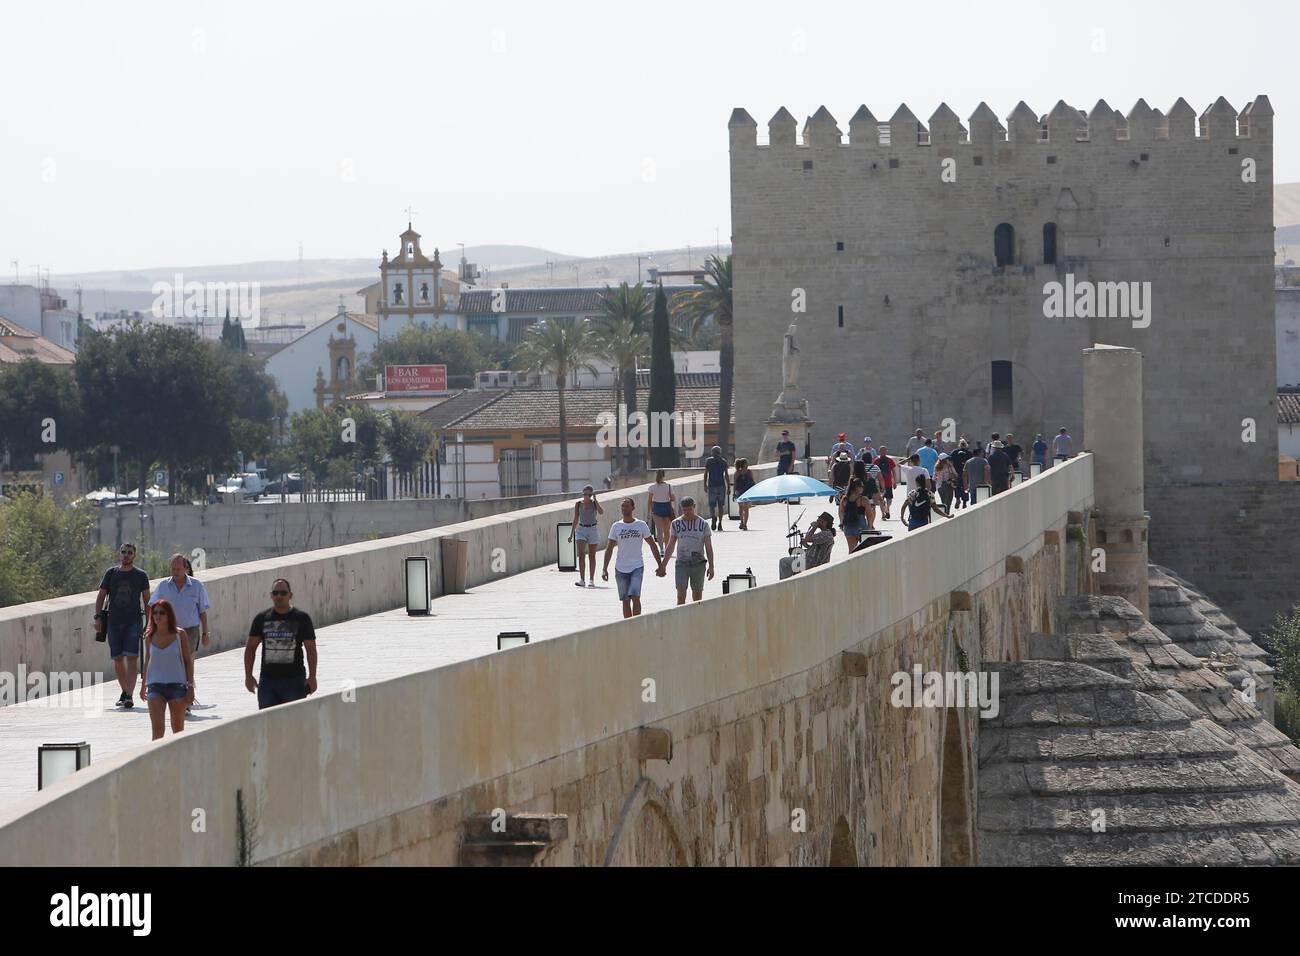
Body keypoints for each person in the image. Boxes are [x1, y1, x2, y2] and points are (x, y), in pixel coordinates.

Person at [148, 553, 211, 713]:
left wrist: (205, 633)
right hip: (169, 631)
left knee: (187, 662)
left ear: (186, 569)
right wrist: (150, 627)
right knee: (176, 664)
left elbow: (202, 611)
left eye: (178, 569)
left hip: (190, 631)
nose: (175, 572)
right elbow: (152, 607)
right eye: (173, 569)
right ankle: (179, 697)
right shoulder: (163, 586)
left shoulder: (196, 586)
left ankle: (187, 699)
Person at [244, 578, 317, 710]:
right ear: (271, 595)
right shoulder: (261, 619)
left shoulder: (302, 618)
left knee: (294, 723)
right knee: (268, 723)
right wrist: (248, 676)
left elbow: (310, 649)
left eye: (283, 593)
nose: (279, 596)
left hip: (294, 680)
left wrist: (312, 677)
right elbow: (250, 649)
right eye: (276, 593)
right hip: (268, 681)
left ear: (290, 595)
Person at [94, 542, 151, 710]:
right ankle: (125, 692)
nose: (126, 555)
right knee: (117, 658)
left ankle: (129, 695)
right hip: (113, 621)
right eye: (124, 552)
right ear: (120, 554)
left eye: (130, 552)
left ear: (134, 555)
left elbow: (148, 601)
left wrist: (149, 623)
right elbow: (101, 596)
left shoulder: (141, 575)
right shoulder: (111, 573)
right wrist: (98, 618)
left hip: (133, 622)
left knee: (132, 658)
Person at [139, 598, 195, 740]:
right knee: (157, 732)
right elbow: (147, 662)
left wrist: (190, 687)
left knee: (178, 731)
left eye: (162, 613)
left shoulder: (179, 635)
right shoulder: (149, 637)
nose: (157, 616)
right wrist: (143, 685)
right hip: (155, 687)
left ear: (169, 615)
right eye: (155, 613)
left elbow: (188, 662)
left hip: (177, 687)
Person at [602, 498, 663, 618]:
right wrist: (604, 568)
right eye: (622, 506)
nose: (624, 508)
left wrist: (660, 565)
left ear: (633, 508)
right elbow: (609, 548)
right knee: (625, 599)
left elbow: (652, 544)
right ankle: (628, 625)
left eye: (627, 506)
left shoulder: (641, 525)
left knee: (635, 596)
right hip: (620, 568)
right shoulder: (616, 526)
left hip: (637, 567)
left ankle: (636, 623)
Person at [660, 496, 715, 604]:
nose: (687, 512)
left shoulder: (703, 524)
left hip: (698, 563)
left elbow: (708, 546)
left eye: (689, 509)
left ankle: (696, 618)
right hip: (682, 562)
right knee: (681, 595)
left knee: (697, 597)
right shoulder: (676, 523)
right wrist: (663, 565)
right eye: (684, 510)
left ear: (694, 507)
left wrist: (711, 566)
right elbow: (671, 545)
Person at [567, 485, 605, 587]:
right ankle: (582, 579)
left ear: (591, 495)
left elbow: (601, 512)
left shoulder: (594, 504)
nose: (586, 496)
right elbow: (575, 519)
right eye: (584, 494)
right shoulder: (578, 504)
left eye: (588, 494)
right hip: (581, 530)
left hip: (593, 529)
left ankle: (591, 580)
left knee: (592, 556)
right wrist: (571, 534)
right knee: (581, 555)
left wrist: (596, 500)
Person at [838, 477, 870, 551]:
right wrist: (870, 526)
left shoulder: (844, 499)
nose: (863, 488)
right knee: (865, 550)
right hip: (861, 525)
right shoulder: (863, 499)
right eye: (861, 486)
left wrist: (842, 522)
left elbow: (841, 511)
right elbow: (869, 514)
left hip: (848, 526)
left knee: (852, 550)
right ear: (856, 487)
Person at [703, 446, 731, 531]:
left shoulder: (709, 461)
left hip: (712, 486)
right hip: (721, 486)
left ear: (712, 452)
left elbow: (706, 474)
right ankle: (720, 523)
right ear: (720, 452)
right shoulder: (723, 461)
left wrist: (705, 484)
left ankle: (713, 517)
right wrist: (729, 487)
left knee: (712, 505)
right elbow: (726, 475)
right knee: (720, 505)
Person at [645, 471, 675, 546]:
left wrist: (649, 513)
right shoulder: (668, 486)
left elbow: (650, 501)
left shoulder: (652, 487)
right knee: (667, 531)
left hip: (656, 507)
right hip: (667, 507)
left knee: (659, 530)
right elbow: (673, 498)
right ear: (664, 476)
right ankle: (667, 547)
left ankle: (661, 549)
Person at [732, 458, 756, 530]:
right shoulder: (739, 473)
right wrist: (734, 493)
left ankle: (744, 523)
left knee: (744, 508)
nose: (747, 465)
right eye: (746, 463)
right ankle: (743, 522)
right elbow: (735, 484)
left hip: (745, 492)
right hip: (742, 491)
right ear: (743, 464)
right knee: (743, 508)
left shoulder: (746, 472)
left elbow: (752, 481)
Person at [950, 438, 973, 509]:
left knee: (957, 487)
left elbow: (951, 462)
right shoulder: (969, 453)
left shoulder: (954, 452)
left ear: (959, 445)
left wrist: (953, 472)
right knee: (965, 487)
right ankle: (964, 502)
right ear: (966, 445)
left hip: (957, 473)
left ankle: (957, 499)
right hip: (966, 473)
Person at [876, 445, 895, 519]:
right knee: (881, 499)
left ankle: (887, 509)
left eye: (884, 451)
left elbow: (893, 471)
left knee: (889, 499)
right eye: (881, 451)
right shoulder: (876, 461)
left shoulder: (890, 461)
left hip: (888, 482)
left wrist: (894, 481)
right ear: (879, 452)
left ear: (886, 451)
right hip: (880, 483)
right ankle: (883, 514)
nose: (883, 452)